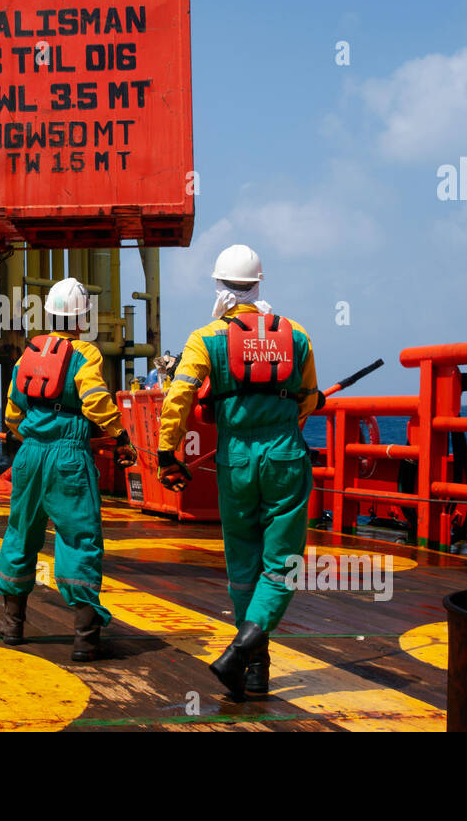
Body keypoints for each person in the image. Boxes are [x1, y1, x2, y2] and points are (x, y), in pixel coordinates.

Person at [156, 245, 318, 698]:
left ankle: (253, 665)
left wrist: (168, 453)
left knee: (243, 562)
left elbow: (178, 398)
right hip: (285, 454)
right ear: (259, 283)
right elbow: (308, 396)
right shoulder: (297, 334)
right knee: (281, 564)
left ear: (219, 285)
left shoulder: (205, 338)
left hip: (236, 461)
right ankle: (245, 651)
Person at [0, 277, 137, 661]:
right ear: (81, 317)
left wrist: (30, 435)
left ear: (50, 313)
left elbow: (12, 412)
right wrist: (119, 433)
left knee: (20, 534)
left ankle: (12, 628)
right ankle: (85, 639)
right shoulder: (84, 354)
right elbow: (93, 398)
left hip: (29, 455)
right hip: (69, 456)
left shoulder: (28, 355)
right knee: (79, 538)